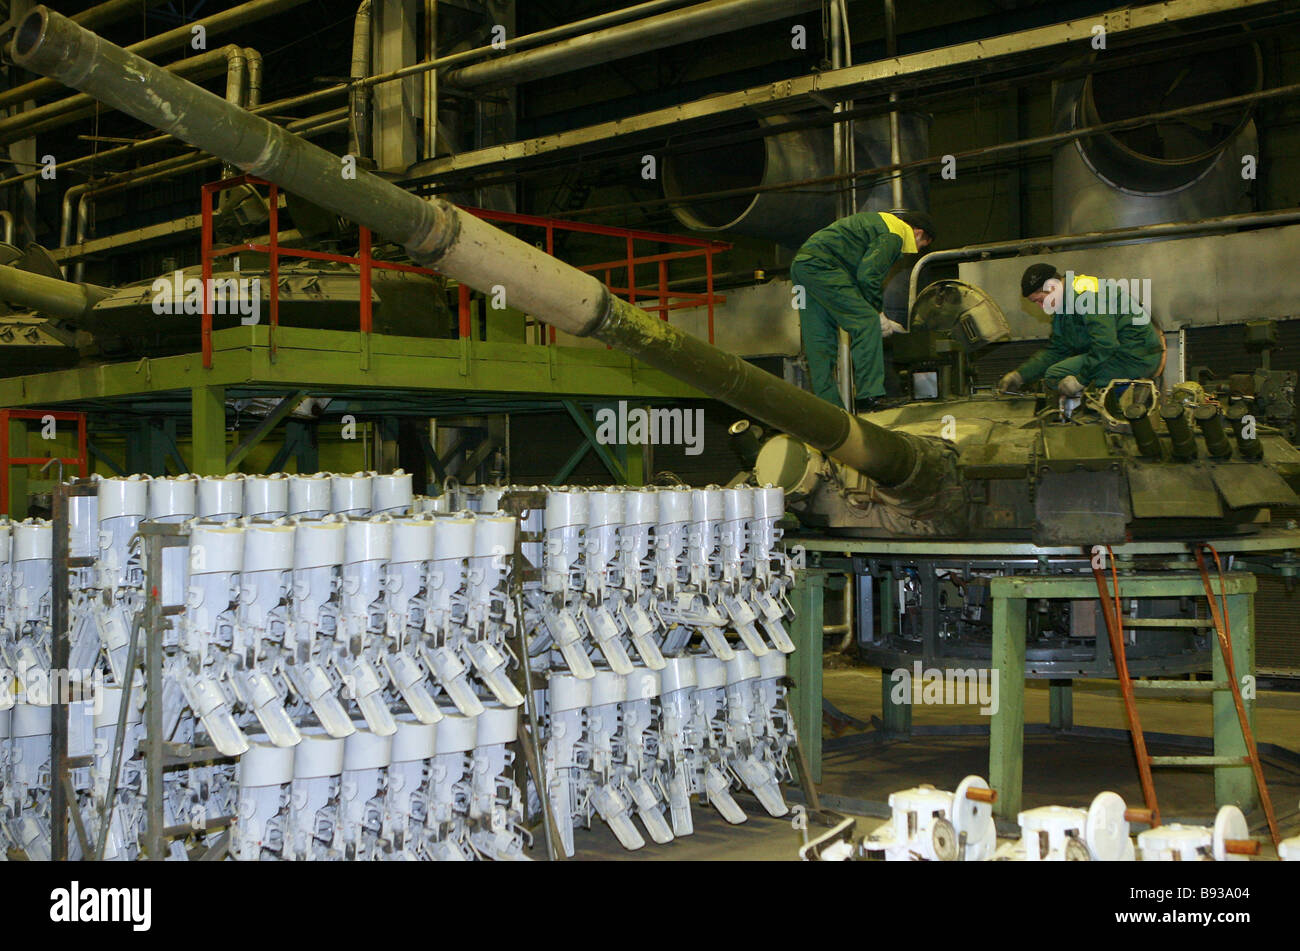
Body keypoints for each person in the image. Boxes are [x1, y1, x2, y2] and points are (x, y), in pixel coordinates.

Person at [791, 209, 935, 410]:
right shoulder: (895, 234)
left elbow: (858, 277)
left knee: (819, 341)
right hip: (826, 266)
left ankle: (831, 410)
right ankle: (870, 397)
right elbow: (868, 277)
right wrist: (878, 314)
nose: (917, 250)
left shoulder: (879, 223)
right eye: (921, 245)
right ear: (918, 233)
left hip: (803, 265)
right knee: (867, 323)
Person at [998, 263, 1164, 399]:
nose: (1041, 307)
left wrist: (1081, 379)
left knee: (1056, 375)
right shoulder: (1064, 308)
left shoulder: (1087, 293)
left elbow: (1105, 344)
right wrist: (1020, 375)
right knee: (1057, 373)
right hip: (1118, 354)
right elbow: (1057, 350)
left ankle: (1109, 411)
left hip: (1135, 356)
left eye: (1040, 300)